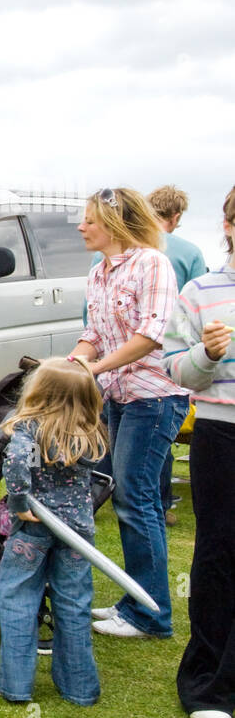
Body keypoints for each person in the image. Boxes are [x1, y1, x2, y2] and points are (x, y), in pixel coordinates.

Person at [70, 187, 188, 639]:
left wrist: (93, 369)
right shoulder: (97, 274)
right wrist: (73, 364)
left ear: (115, 225)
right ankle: (136, 598)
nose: (82, 227)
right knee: (129, 498)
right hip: (120, 397)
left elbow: (152, 335)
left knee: (136, 500)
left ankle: (151, 615)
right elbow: (94, 332)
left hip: (154, 397)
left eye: (90, 220)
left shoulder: (152, 265)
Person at [163, 183, 235, 718]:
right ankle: (209, 680)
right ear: (229, 227)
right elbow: (174, 370)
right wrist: (206, 356)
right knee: (217, 553)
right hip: (221, 433)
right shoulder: (202, 292)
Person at [0, 357, 108, 707]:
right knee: (74, 603)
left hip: (33, 529)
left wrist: (19, 503)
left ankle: (16, 685)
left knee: (19, 599)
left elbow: (15, 463)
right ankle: (80, 688)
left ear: (38, 392)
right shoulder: (88, 432)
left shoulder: (29, 428)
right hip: (77, 532)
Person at [149, 185, 206, 526]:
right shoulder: (189, 252)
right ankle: (163, 501)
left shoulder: (117, 247)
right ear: (177, 216)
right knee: (163, 436)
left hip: (119, 361)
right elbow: (199, 311)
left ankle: (107, 489)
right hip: (170, 358)